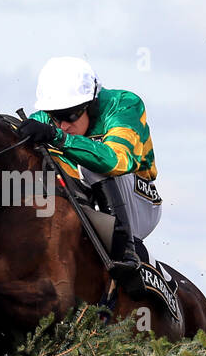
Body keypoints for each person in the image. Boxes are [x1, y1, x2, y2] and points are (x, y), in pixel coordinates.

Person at [18, 57, 160, 299]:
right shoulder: (46, 119)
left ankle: (126, 252)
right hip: (90, 198)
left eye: (70, 115)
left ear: (92, 104)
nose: (62, 125)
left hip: (139, 201)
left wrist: (57, 137)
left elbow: (116, 160)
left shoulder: (124, 104)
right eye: (54, 116)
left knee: (94, 163)